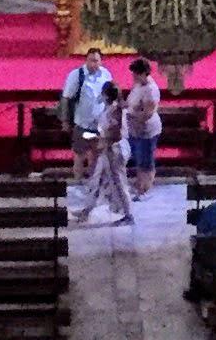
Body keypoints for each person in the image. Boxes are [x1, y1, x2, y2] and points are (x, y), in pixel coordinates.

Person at [67, 74, 134, 226]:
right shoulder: (109, 108)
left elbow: (115, 133)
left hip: (114, 150)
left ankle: (129, 215)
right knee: (95, 180)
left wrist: (99, 139)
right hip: (106, 149)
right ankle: (86, 211)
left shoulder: (116, 111)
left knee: (119, 182)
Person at [58, 44, 109, 183]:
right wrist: (65, 120)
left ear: (101, 61)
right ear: (86, 60)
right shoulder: (77, 75)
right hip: (82, 123)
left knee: (96, 154)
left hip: (99, 124)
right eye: (91, 60)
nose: (94, 63)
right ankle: (78, 182)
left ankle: (93, 182)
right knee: (80, 155)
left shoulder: (106, 74)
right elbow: (66, 98)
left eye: (96, 60)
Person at [122, 57, 163, 197]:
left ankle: (146, 189)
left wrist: (129, 115)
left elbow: (147, 114)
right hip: (135, 130)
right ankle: (140, 185)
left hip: (147, 132)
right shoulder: (139, 84)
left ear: (144, 73)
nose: (133, 76)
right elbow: (131, 103)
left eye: (135, 73)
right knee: (139, 160)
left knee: (146, 162)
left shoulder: (150, 90)